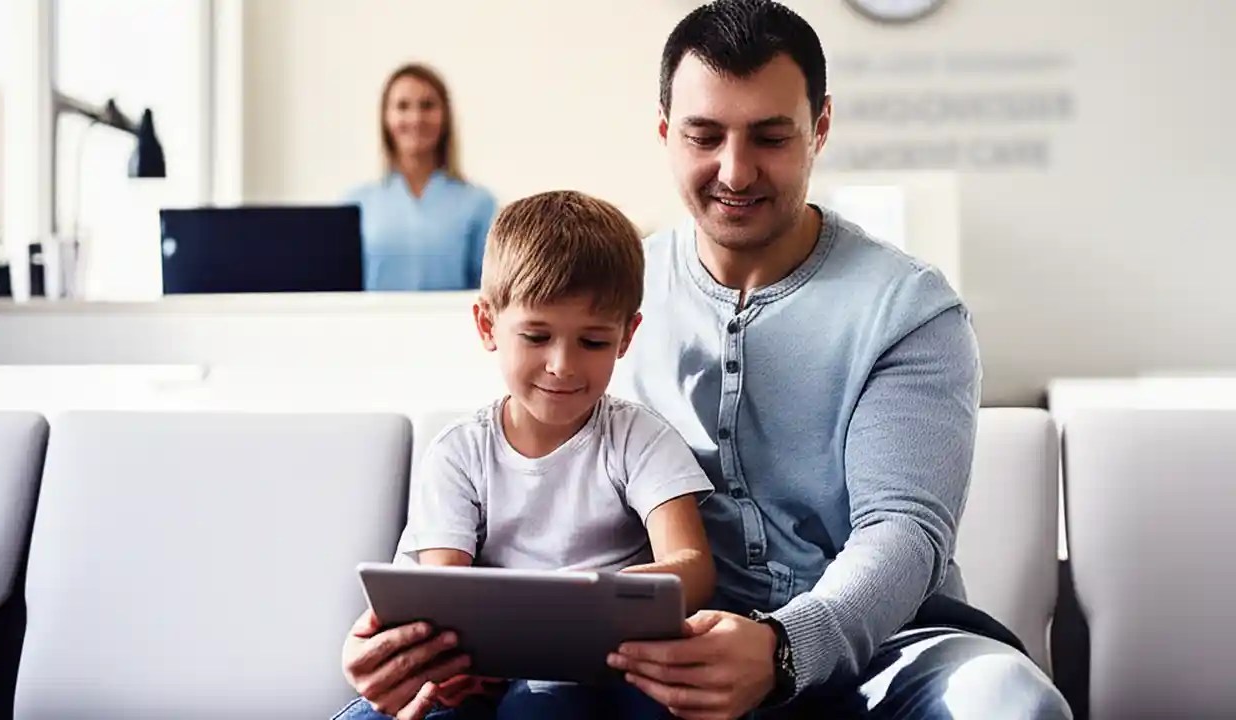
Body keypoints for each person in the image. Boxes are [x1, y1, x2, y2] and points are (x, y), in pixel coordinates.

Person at [597, 1, 1074, 718]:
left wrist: (782, 648)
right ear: (666, 133)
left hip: (893, 649)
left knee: (1007, 701)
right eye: (704, 136)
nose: (735, 170)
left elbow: (903, 531)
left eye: (770, 137)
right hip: (670, 655)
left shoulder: (909, 310)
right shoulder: (610, 292)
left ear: (820, 129)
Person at [335, 190, 717, 720]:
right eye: (537, 336)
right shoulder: (460, 454)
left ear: (627, 336)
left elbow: (694, 565)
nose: (562, 365)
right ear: (488, 326)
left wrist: (614, 596)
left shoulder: (638, 438)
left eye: (593, 342)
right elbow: (446, 591)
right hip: (481, 671)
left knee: (545, 705)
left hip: (600, 672)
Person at [344, 63, 497, 292]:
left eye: (427, 106)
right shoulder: (356, 204)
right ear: (386, 117)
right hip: (371, 326)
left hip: (450, 325)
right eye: (402, 106)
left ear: (445, 116)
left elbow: (489, 293)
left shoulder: (478, 204)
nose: (415, 118)